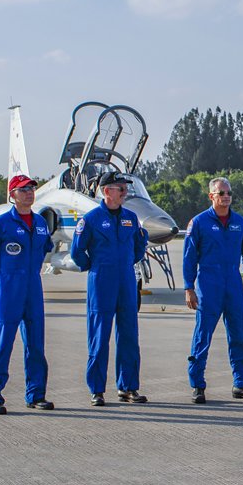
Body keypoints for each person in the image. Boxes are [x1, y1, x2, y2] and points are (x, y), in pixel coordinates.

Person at [71, 172, 149, 406]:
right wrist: (94, 267)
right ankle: (97, 390)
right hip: (101, 281)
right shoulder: (91, 219)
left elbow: (139, 246)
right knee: (99, 336)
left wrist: (126, 263)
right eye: (119, 188)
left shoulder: (131, 218)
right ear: (106, 191)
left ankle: (128, 388)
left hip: (126, 280)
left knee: (129, 336)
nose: (124, 191)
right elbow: (77, 252)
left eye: (125, 187)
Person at [182, 178, 243, 404]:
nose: (226, 196)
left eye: (228, 193)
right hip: (208, 283)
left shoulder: (240, 222)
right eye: (221, 193)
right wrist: (189, 287)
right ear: (211, 196)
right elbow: (189, 258)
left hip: (233, 284)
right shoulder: (198, 223)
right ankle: (197, 385)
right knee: (203, 336)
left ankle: (241, 383)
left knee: (238, 336)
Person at [0, 175, 55, 414]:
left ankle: (35, 394)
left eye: (32, 189)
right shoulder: (0, 224)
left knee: (35, 343)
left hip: (32, 286)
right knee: (2, 342)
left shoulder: (41, 222)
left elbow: (45, 248)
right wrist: (0, 281)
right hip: (8, 286)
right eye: (23, 190)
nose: (30, 193)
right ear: (12, 195)